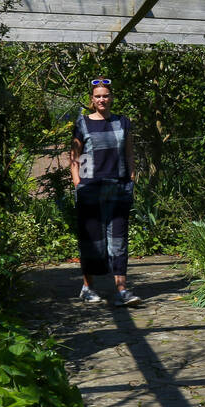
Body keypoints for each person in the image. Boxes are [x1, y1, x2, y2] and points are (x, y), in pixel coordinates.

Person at [70, 79, 141, 306]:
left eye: (106, 95)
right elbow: (75, 157)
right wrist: (78, 183)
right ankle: (88, 287)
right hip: (90, 189)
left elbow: (129, 154)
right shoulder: (83, 123)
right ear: (92, 100)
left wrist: (130, 178)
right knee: (92, 240)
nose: (102, 99)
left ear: (111, 98)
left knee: (119, 240)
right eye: (98, 96)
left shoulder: (123, 122)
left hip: (119, 189)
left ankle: (122, 290)